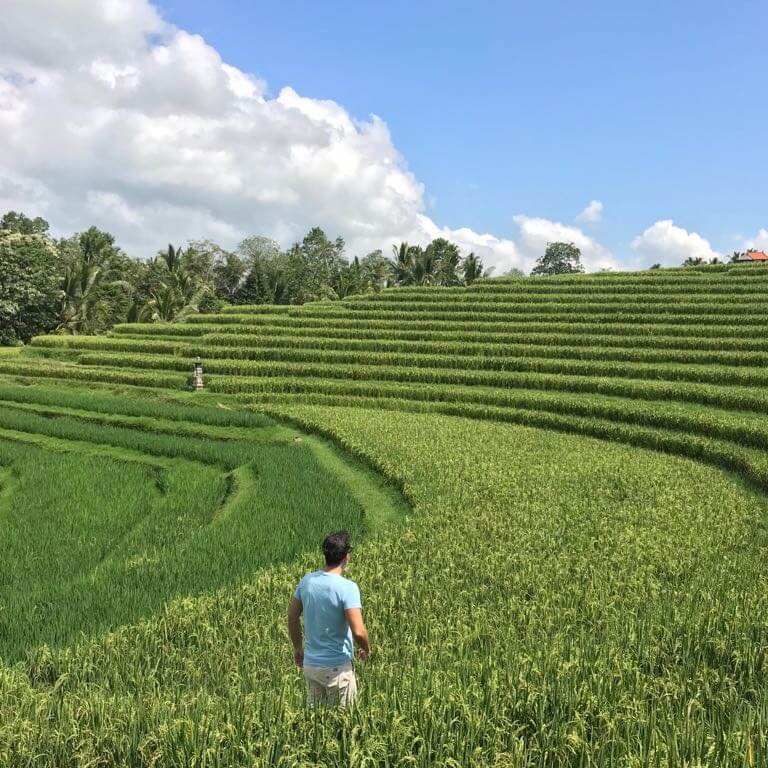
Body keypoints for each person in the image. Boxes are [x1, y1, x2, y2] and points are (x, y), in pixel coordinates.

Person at [288, 530, 370, 707]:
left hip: (311, 667)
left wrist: (297, 648)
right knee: (343, 728)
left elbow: (292, 617)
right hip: (337, 669)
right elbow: (358, 631)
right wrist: (366, 648)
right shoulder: (348, 588)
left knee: (316, 726)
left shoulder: (306, 582)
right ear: (345, 556)